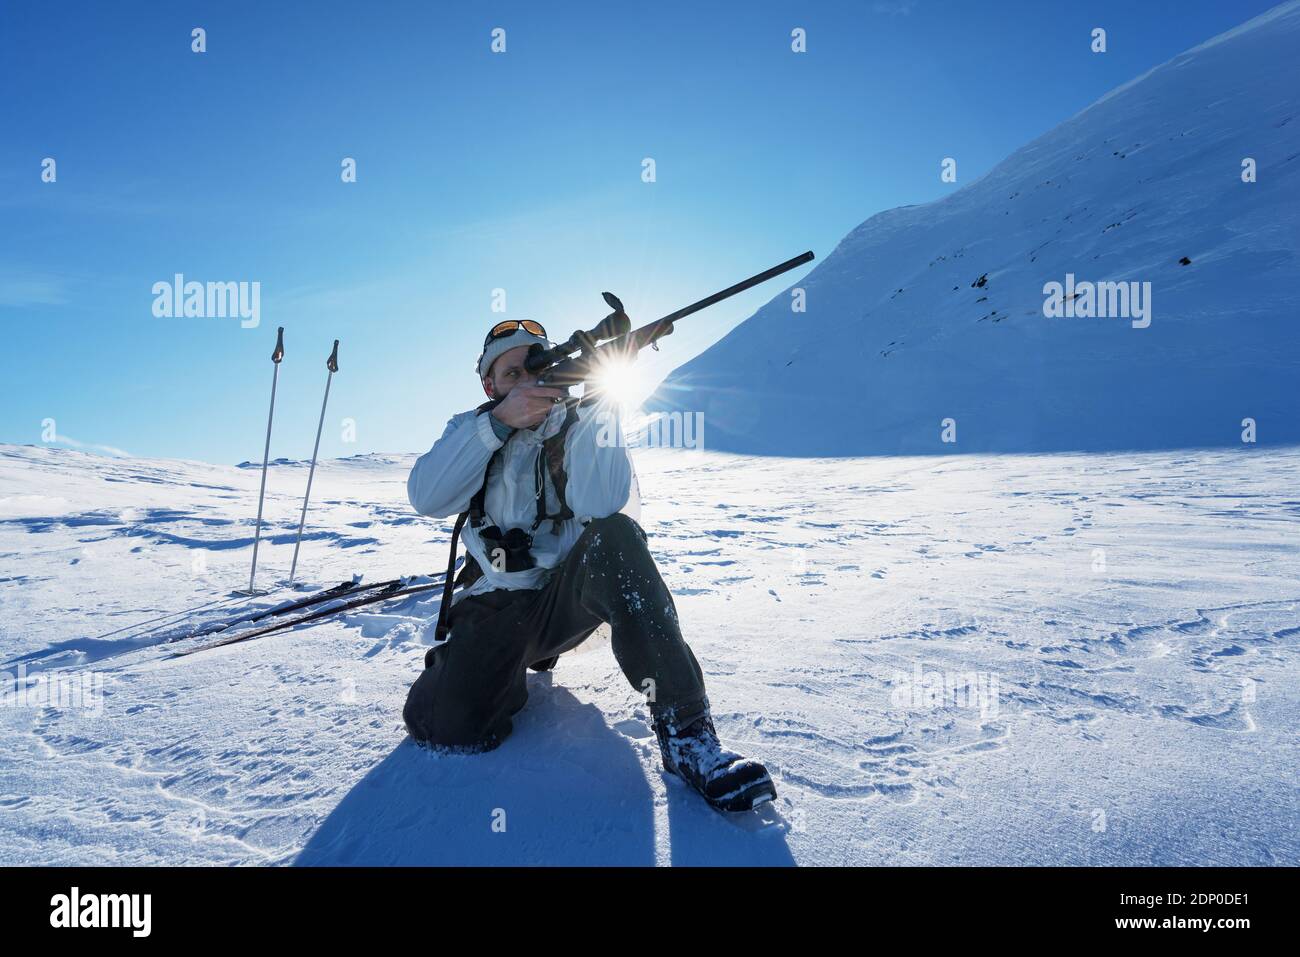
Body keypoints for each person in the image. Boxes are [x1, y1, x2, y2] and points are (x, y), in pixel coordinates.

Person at [401, 318, 777, 812]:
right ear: (490, 385)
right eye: (511, 374)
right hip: (494, 603)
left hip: (564, 601)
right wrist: (497, 424)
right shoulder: (470, 430)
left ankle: (688, 736)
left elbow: (603, 505)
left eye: (535, 368)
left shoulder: (578, 422)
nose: (526, 382)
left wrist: (600, 397)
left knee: (616, 536)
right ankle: (494, 665)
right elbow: (426, 497)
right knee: (445, 724)